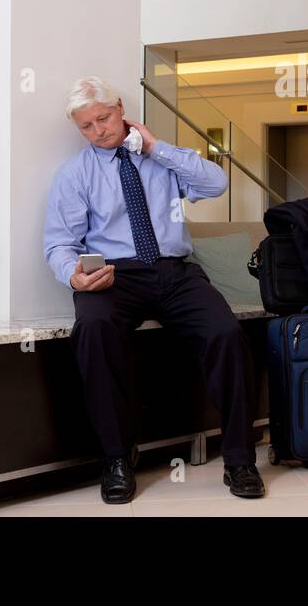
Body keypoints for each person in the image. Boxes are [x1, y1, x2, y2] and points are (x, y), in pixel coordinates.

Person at [43, 76, 265, 503]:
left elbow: (215, 184)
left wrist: (154, 147)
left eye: (103, 119)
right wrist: (74, 274)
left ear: (121, 108)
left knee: (226, 333)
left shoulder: (162, 160)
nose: (98, 131)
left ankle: (240, 459)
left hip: (174, 271)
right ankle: (117, 457)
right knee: (93, 328)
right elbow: (59, 243)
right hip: (114, 276)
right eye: (86, 126)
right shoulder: (75, 174)